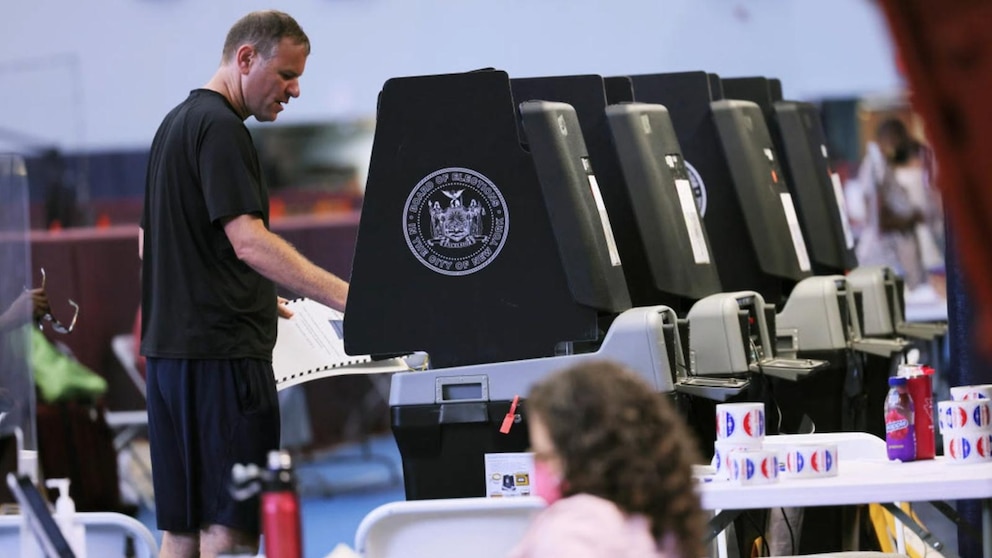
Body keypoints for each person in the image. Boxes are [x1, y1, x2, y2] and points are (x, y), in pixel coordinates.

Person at [139, 11, 349, 558]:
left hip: (168, 365)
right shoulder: (224, 130)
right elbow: (249, 242)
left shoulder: (172, 126)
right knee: (229, 533)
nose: (295, 90)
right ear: (246, 59)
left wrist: (247, 289)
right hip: (223, 365)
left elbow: (152, 245)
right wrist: (351, 298)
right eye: (285, 75)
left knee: (181, 533)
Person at [508, 360, 705, 558]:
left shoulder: (574, 529)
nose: (541, 468)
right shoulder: (667, 526)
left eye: (548, 456)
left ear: (585, 453)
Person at [854, 117, 944, 293]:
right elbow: (881, 220)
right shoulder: (874, 165)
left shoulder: (888, 166)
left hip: (904, 250)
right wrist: (912, 218)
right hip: (881, 255)